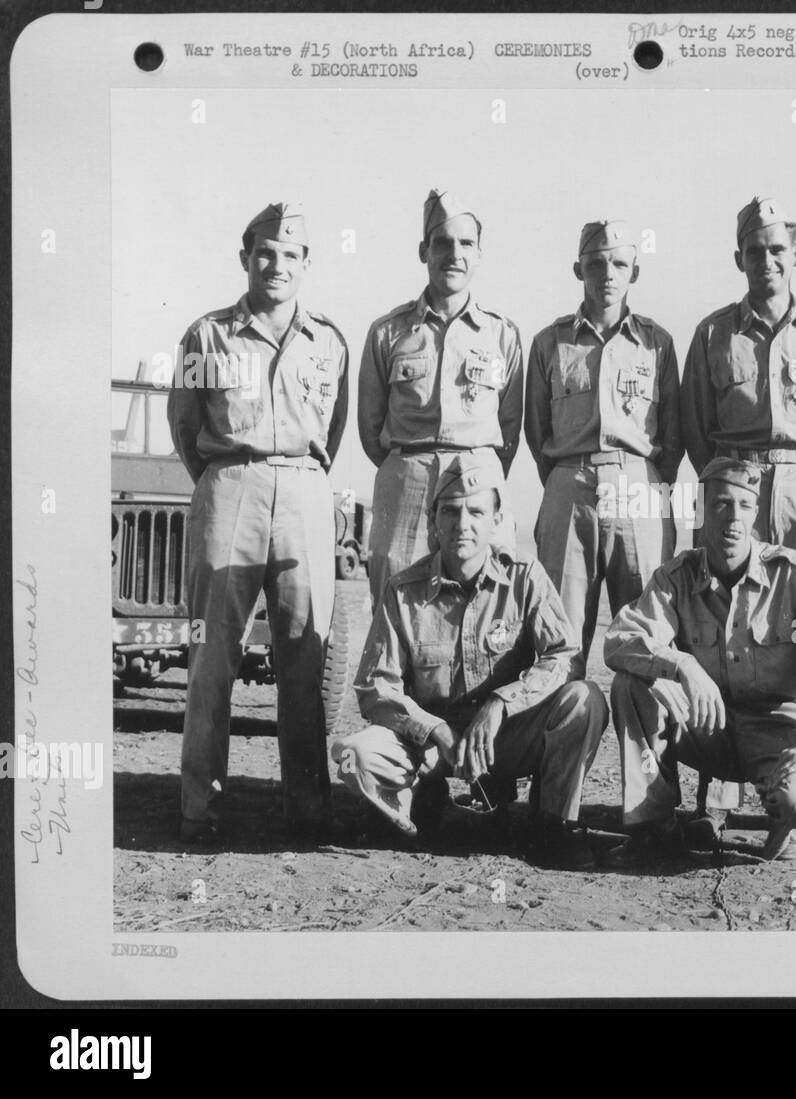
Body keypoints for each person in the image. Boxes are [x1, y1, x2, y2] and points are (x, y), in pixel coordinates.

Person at [167, 202, 348, 843]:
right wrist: (225, 482)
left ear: (306, 263)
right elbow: (187, 428)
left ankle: (306, 810)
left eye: (291, 254)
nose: (277, 264)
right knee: (213, 652)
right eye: (265, 252)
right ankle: (199, 808)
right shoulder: (205, 336)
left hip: (303, 487)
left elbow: (338, 428)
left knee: (306, 651)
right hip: (230, 486)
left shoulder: (329, 340)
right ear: (246, 256)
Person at [332, 453, 607, 870]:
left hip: (504, 738)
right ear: (433, 521)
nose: (463, 524)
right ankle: (417, 803)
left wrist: (502, 703)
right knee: (356, 755)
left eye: (476, 512)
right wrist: (435, 730)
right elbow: (375, 687)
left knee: (584, 700)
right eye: (451, 511)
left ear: (496, 520)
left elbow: (564, 656)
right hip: (430, 745)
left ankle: (552, 825)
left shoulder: (524, 578)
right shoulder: (403, 592)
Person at [679, 196, 796, 846]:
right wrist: (731, 482)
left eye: (779, 249)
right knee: (728, 627)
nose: (768, 260)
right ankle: (716, 797)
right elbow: (697, 427)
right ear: (739, 258)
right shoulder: (713, 333)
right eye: (756, 250)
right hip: (735, 480)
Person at [602, 458, 796, 865]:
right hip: (710, 727)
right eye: (721, 504)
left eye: (744, 506)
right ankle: (654, 828)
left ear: (756, 513)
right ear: (701, 511)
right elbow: (621, 639)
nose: (733, 519)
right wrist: (681, 666)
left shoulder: (794, 578)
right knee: (632, 687)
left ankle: (788, 826)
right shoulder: (676, 579)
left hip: (778, 732)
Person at [524, 218, 682, 672]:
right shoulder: (549, 343)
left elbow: (675, 434)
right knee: (559, 642)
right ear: (579, 270)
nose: (607, 274)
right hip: (569, 490)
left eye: (618, 263)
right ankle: (562, 737)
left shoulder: (658, 344)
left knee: (648, 639)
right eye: (595, 264)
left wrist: (641, 477)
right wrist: (567, 476)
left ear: (635, 272)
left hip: (639, 489)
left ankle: (649, 744)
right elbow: (537, 432)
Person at [357, 188, 523, 608]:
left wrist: (479, 466)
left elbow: (512, 427)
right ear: (423, 250)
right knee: (396, 596)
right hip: (406, 481)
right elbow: (368, 425)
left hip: (477, 477)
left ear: (479, 253)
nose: (455, 253)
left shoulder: (502, 334)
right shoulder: (387, 332)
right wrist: (408, 465)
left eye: (466, 243)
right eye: (443, 242)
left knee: (488, 602)